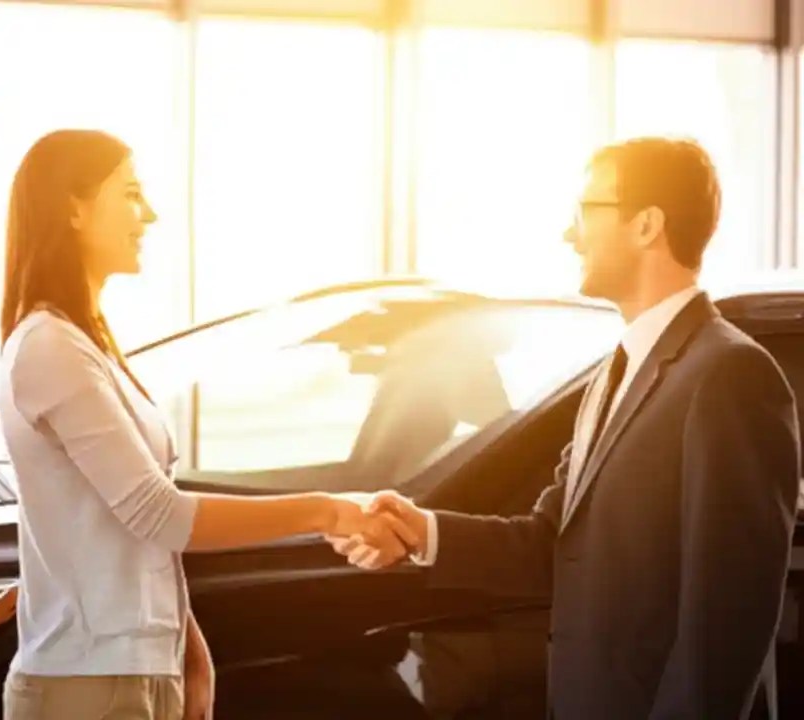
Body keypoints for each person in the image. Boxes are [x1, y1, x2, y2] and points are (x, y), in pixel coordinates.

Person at [336, 137, 800, 719]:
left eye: (585, 210)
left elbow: (728, 621)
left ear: (646, 225)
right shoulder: (616, 372)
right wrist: (421, 530)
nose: (569, 234)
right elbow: (551, 546)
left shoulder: (730, 375)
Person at [0, 129, 413, 720]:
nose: (150, 215)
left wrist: (188, 648)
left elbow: (137, 531)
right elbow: (159, 513)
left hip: (133, 674)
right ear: (74, 207)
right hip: (86, 686)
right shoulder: (49, 348)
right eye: (132, 195)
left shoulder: (85, 343)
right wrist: (327, 510)